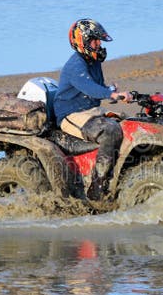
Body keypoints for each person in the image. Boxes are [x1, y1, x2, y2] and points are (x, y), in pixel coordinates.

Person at [53, 18, 132, 201]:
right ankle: (97, 185)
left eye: (99, 41)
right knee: (110, 131)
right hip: (71, 114)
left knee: (128, 122)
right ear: (83, 42)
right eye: (94, 41)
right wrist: (110, 95)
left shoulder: (94, 62)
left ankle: (120, 169)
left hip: (91, 110)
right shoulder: (75, 66)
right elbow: (90, 88)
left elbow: (98, 90)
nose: (99, 44)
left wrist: (112, 92)